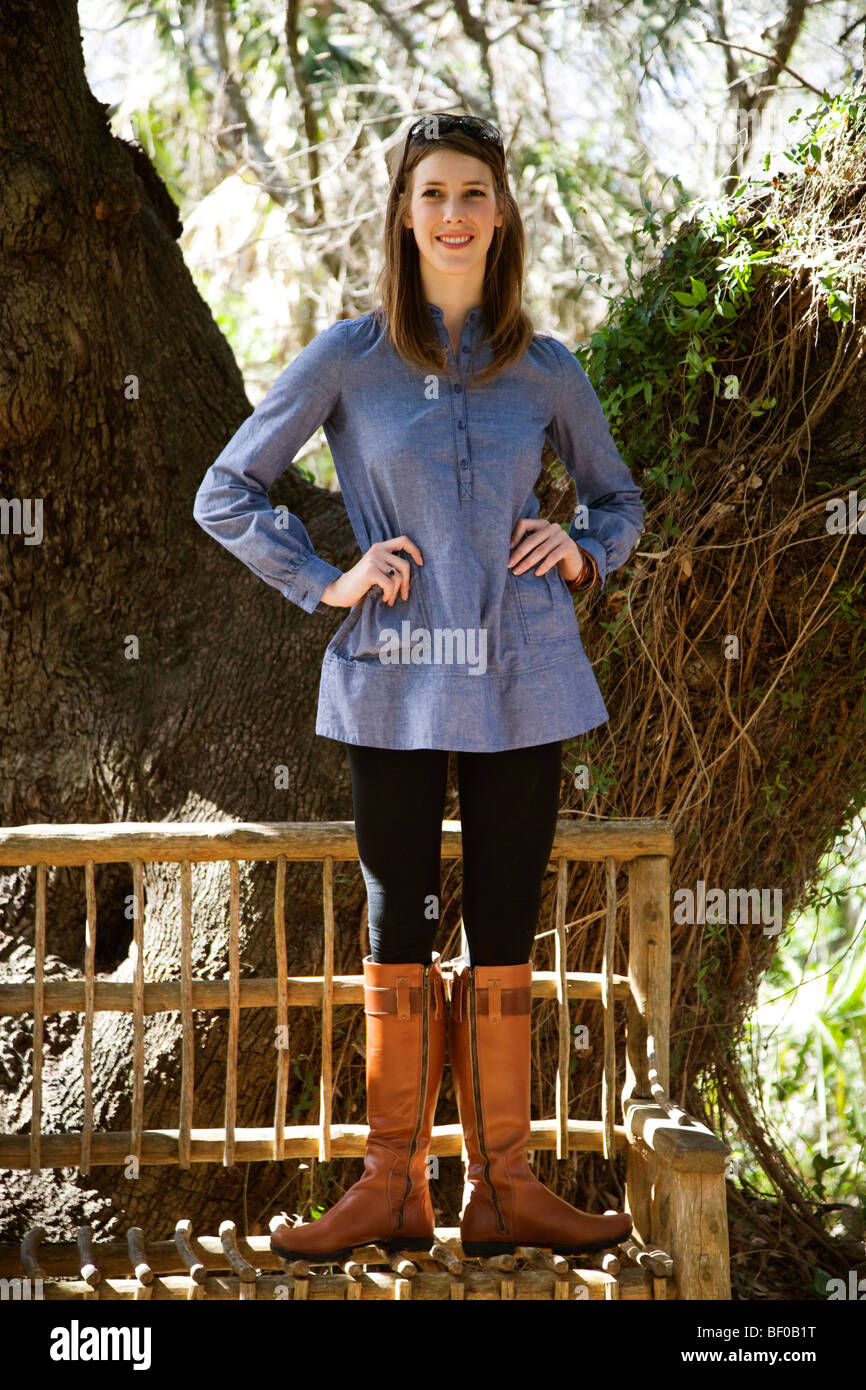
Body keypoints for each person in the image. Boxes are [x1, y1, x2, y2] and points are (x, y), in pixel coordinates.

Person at [193, 111, 645, 1261]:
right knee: (398, 926)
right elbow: (227, 490)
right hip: (392, 672)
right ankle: (389, 1184)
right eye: (431, 193)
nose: (452, 214)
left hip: (524, 675)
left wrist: (584, 550)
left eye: (472, 194)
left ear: (500, 216)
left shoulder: (545, 368)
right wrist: (324, 578)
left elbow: (616, 500)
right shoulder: (348, 355)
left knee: (502, 925)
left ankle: (503, 1188)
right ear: (403, 213)